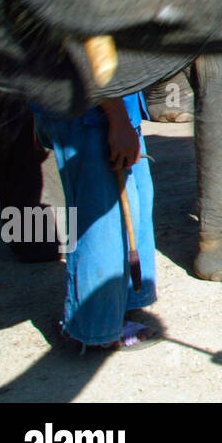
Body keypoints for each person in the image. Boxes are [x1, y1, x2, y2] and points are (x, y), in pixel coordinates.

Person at [32, 92, 159, 351]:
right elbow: (86, 58)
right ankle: (95, 327)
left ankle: (120, 305)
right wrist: (117, 119)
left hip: (108, 111)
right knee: (103, 223)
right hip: (93, 115)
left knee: (135, 203)